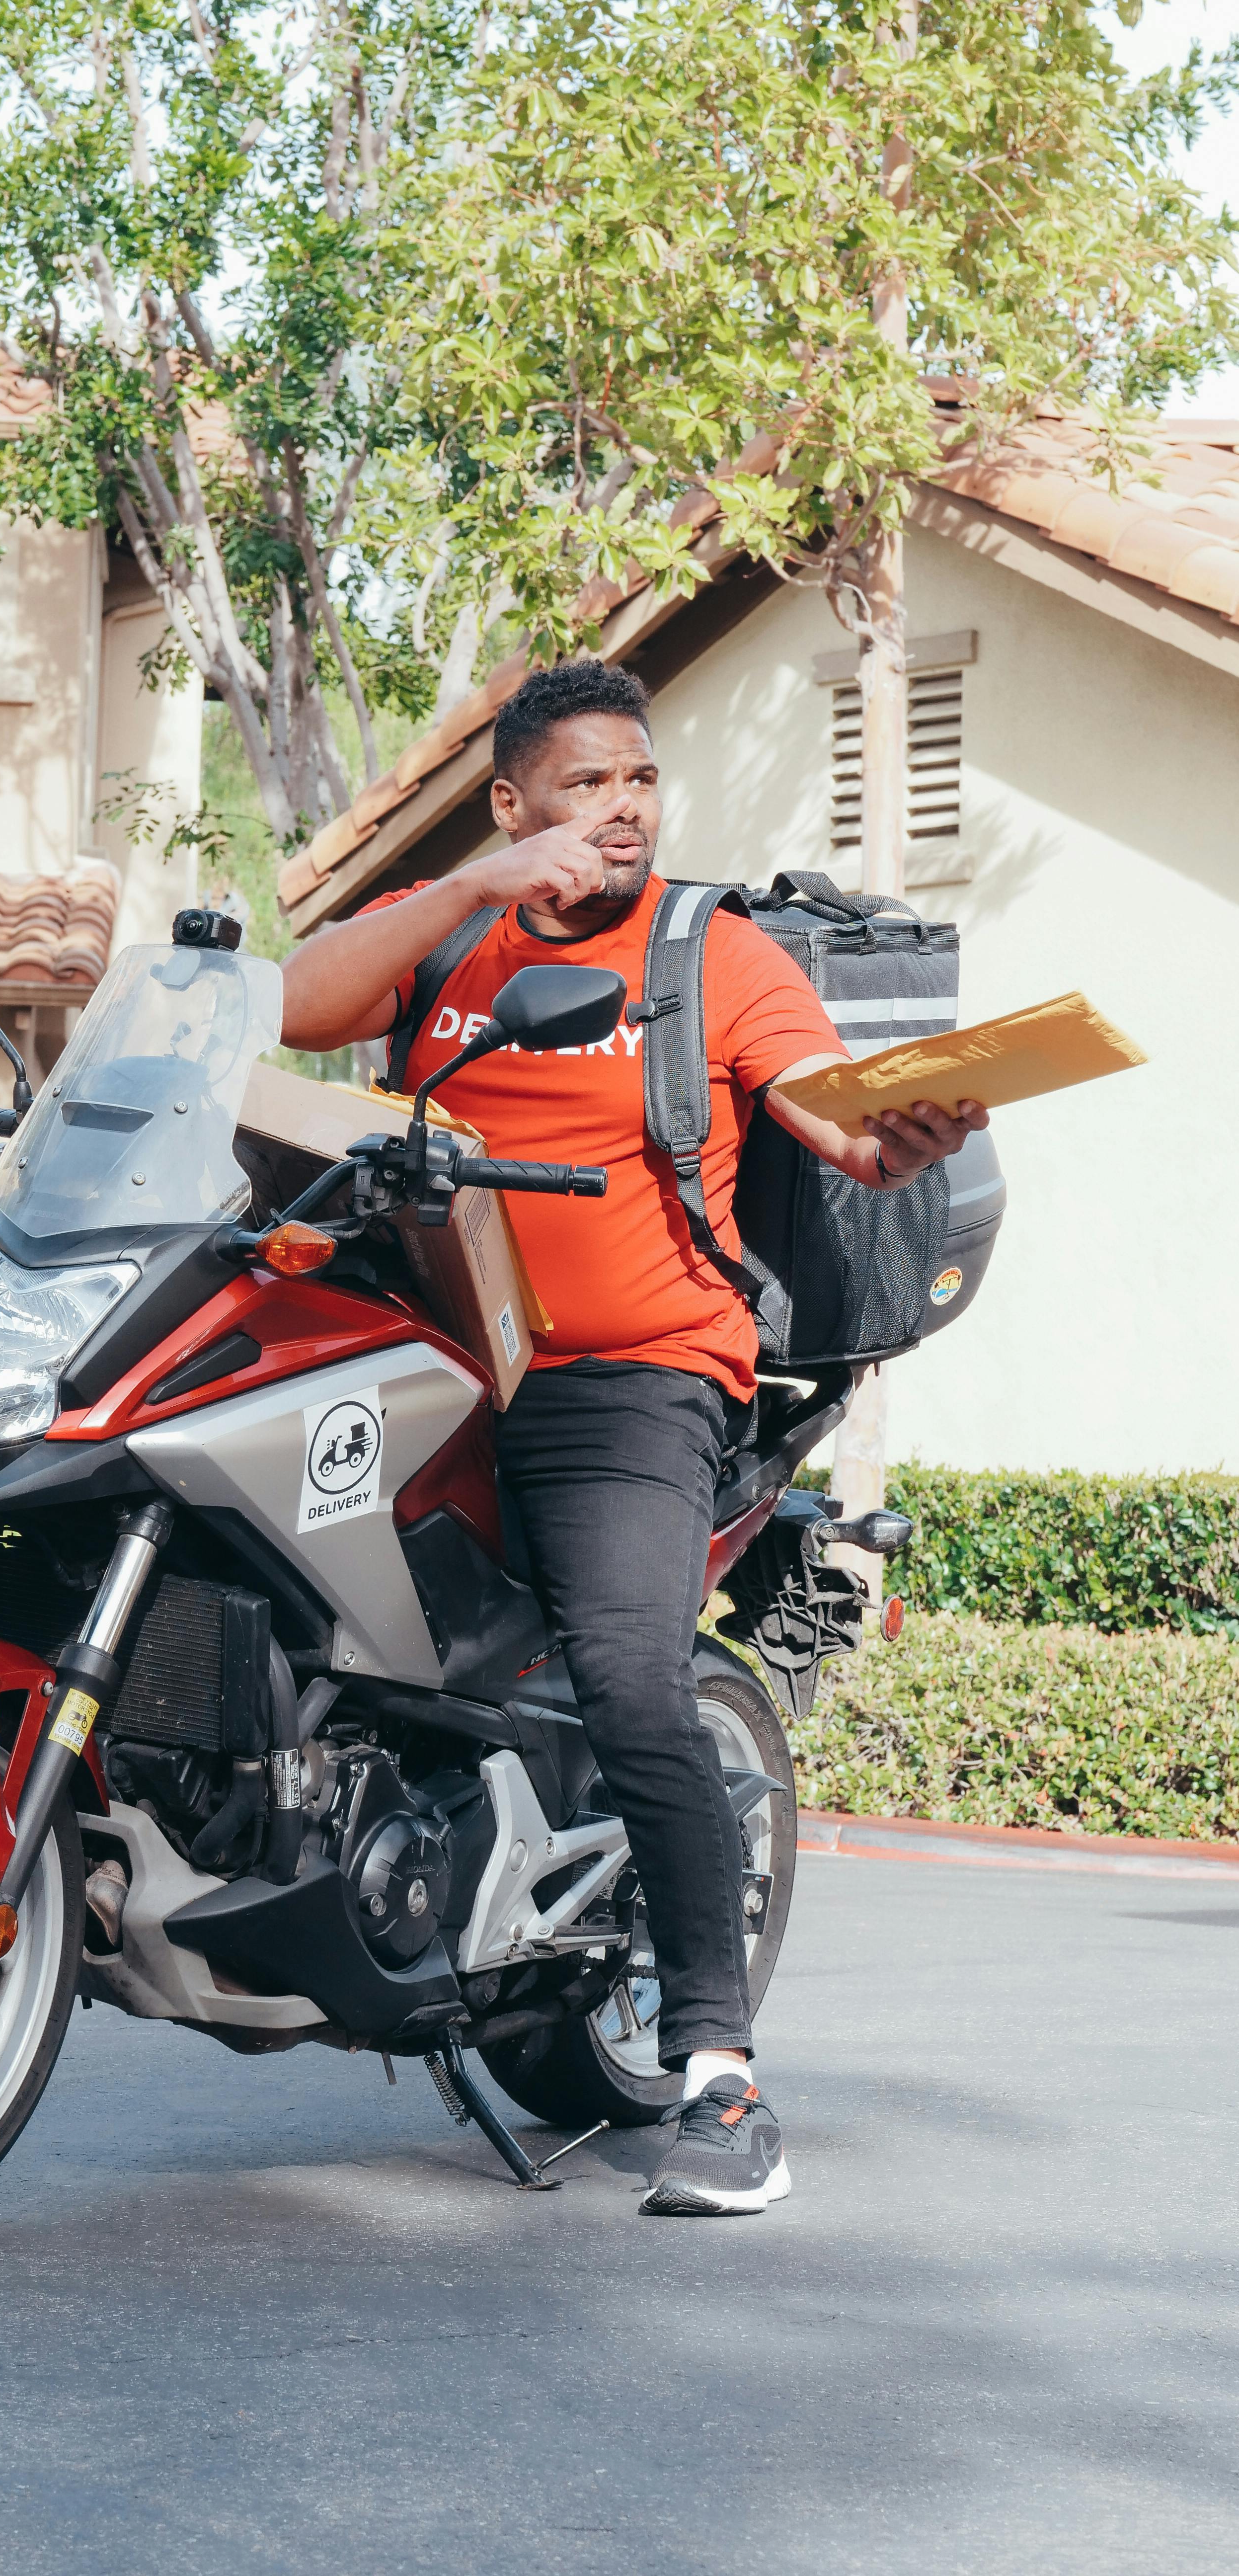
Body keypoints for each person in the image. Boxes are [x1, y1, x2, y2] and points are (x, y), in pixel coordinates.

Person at [280, 658, 987, 2216]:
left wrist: (893, 1136)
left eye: (641, 781)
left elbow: (830, 1110)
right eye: (587, 783)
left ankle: (721, 2077)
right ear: (516, 800)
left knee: (631, 1682)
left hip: (631, 1377)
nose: (620, 808)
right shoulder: (454, 935)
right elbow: (290, 1005)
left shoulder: (711, 954)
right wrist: (472, 882)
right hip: (433, 1356)